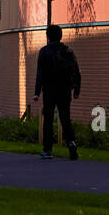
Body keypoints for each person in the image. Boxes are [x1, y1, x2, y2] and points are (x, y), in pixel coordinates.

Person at [33, 24, 81, 160]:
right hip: (65, 89)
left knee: (48, 119)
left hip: (49, 90)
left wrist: (37, 92)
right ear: (61, 36)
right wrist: (76, 89)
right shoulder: (68, 51)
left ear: (48, 36)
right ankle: (71, 144)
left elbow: (40, 73)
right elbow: (77, 71)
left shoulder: (44, 51)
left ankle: (48, 150)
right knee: (65, 118)